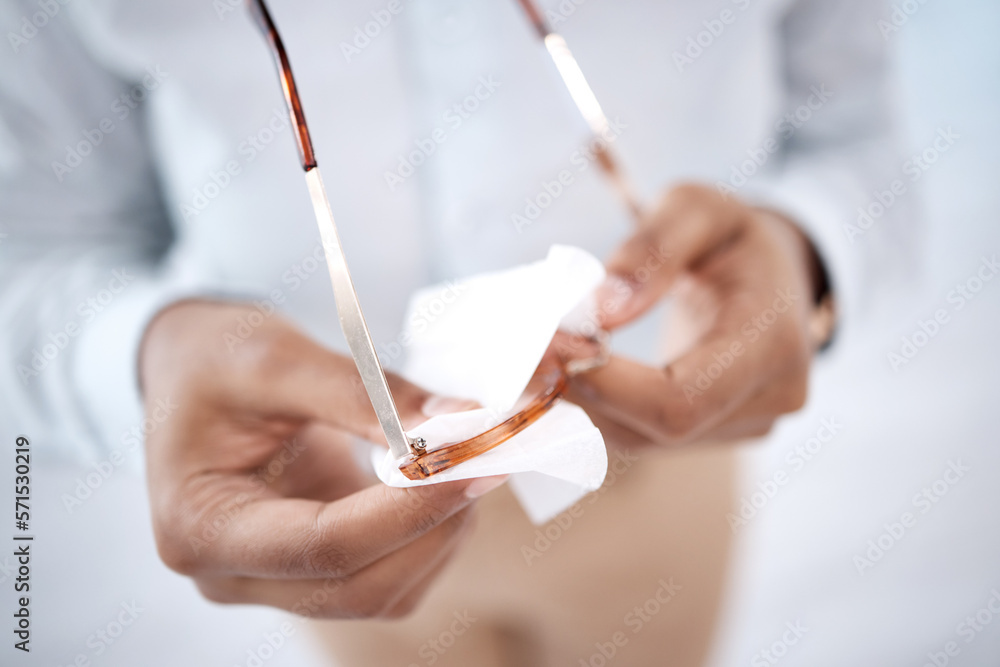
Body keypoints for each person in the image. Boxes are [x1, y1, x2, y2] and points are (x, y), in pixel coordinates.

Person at [0, 0, 913, 663]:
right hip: (326, 500)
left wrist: (806, 254)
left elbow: (855, 138)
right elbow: (40, 239)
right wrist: (143, 353)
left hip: (657, 470)